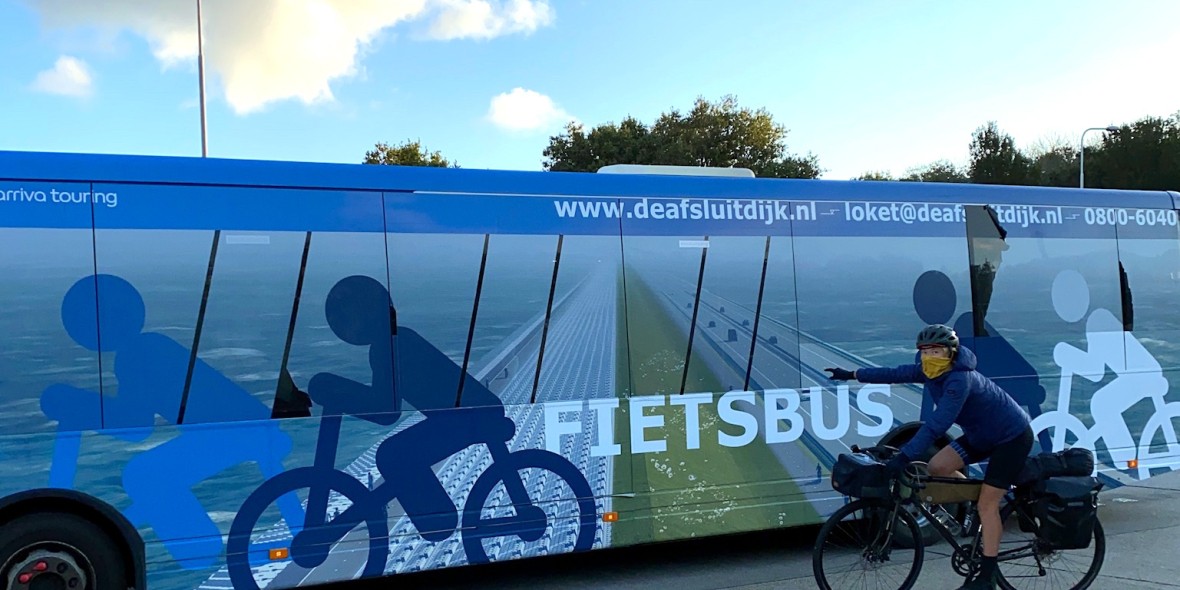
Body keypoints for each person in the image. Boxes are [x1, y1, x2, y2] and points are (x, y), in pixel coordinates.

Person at [824, 324, 1033, 590]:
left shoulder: (959, 379)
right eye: (926, 351)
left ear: (951, 352)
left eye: (937, 350)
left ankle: (987, 577)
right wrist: (852, 373)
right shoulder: (931, 371)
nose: (931, 356)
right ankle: (976, 503)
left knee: (988, 506)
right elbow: (895, 373)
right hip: (981, 435)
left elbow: (936, 425)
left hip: (1011, 436)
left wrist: (904, 456)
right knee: (937, 466)